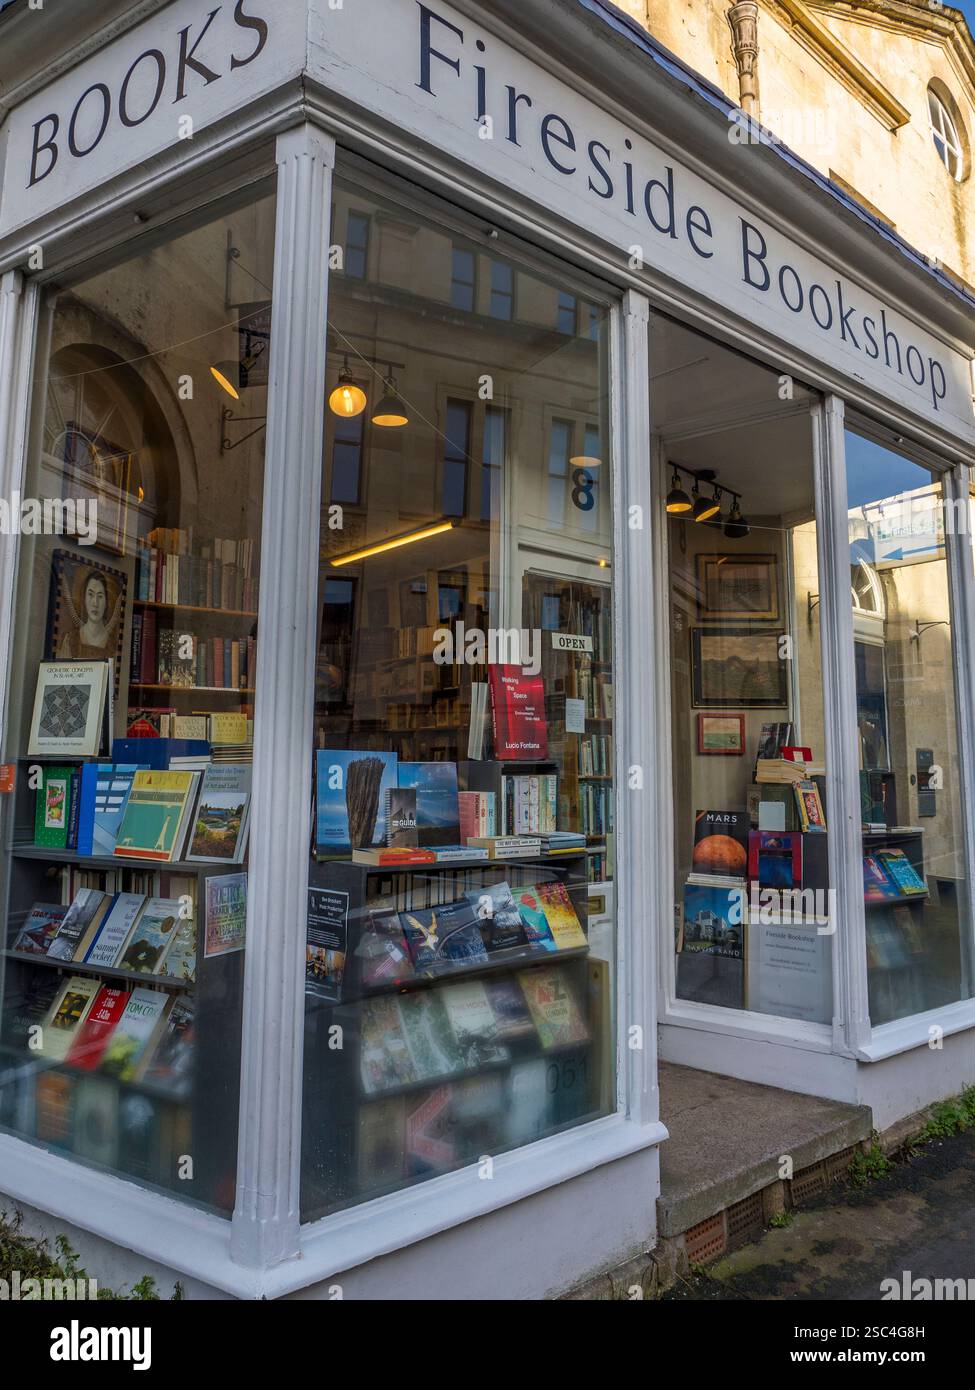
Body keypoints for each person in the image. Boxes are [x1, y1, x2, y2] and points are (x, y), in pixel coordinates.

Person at [57, 569, 115, 659]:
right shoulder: (70, 640)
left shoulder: (113, 645)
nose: (95, 603)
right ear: (84, 598)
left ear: (106, 601)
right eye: (90, 594)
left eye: (100, 596)